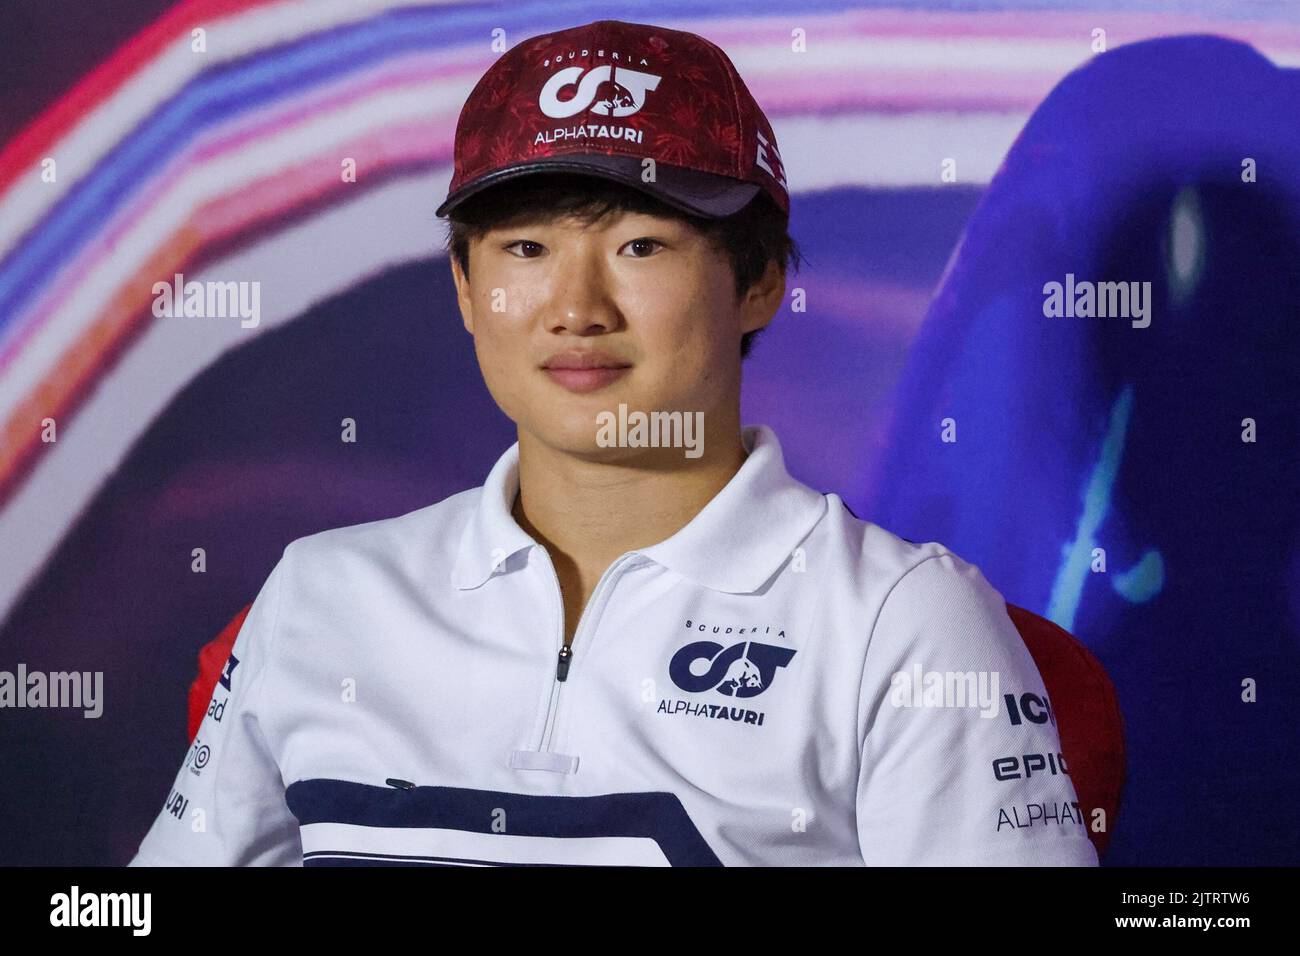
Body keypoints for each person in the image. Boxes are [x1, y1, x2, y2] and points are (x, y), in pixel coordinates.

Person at [129, 18, 1097, 867]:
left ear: (757, 280)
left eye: (640, 246)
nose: (577, 308)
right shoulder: (320, 593)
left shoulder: (897, 622)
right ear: (465, 288)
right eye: (526, 249)